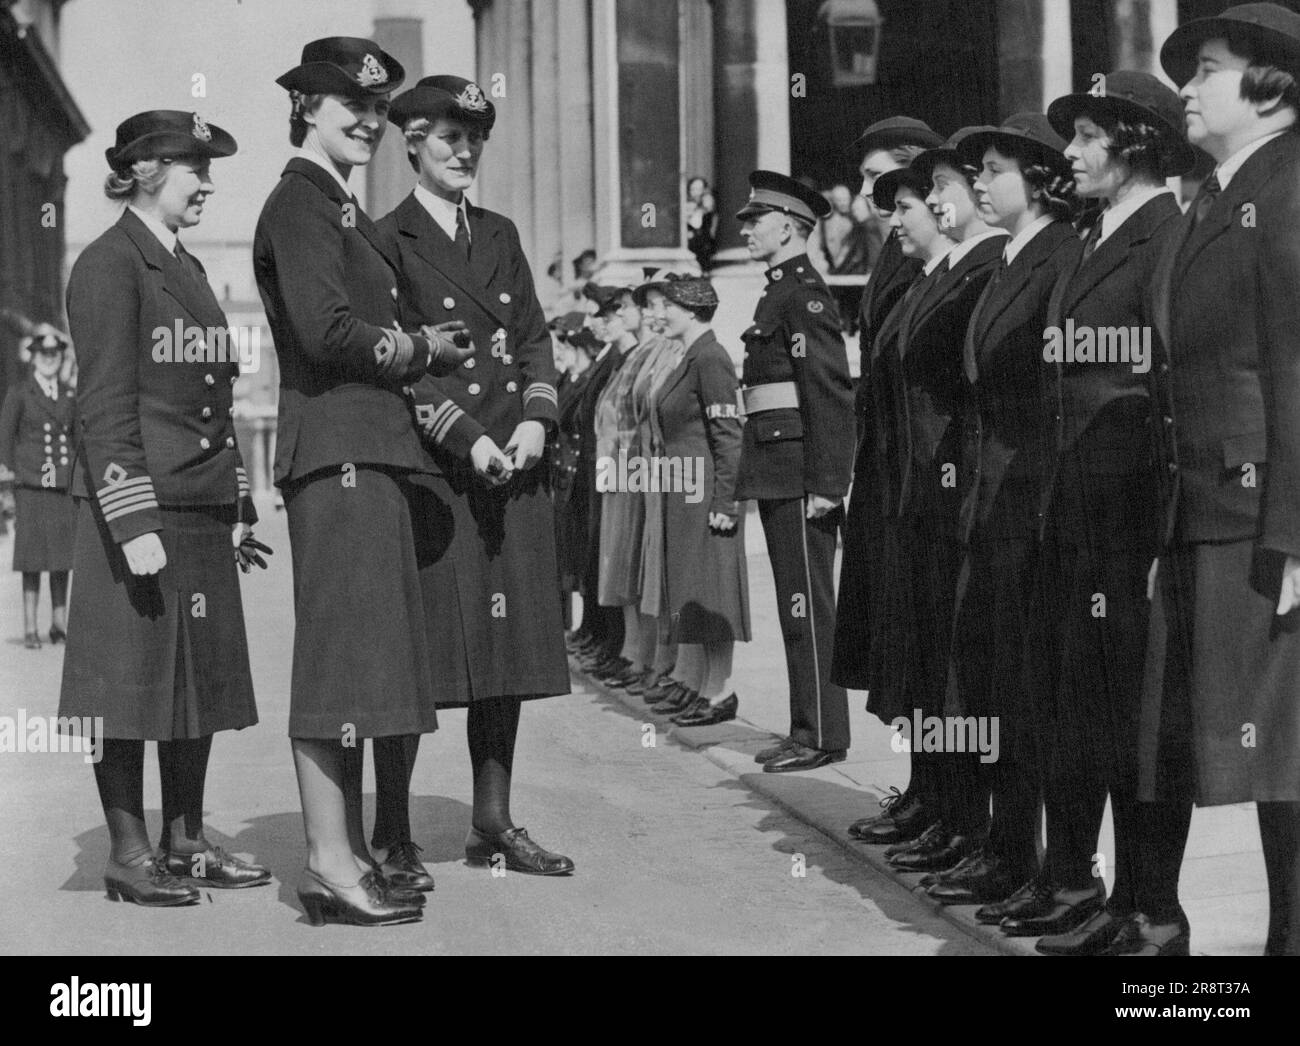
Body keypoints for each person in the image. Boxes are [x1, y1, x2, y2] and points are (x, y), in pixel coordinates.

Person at [254, 38, 471, 925]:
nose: (371, 124)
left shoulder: (337, 206)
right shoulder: (300, 204)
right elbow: (327, 330)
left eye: (380, 111)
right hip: (336, 451)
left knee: (364, 658)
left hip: (368, 451)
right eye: (352, 106)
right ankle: (329, 864)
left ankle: (342, 856)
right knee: (337, 659)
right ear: (306, 106)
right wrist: (423, 349)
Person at [1001, 71, 1196, 955]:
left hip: (1129, 514)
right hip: (1070, 511)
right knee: (1081, 708)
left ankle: (1154, 908)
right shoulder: (1092, 235)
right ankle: (1088, 889)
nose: (1068, 155)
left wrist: (1162, 525)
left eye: (1085, 139)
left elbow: (1168, 384)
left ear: (1137, 143)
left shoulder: (1168, 235)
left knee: (1140, 719)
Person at [58, 109, 270, 907]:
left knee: (197, 680)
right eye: (195, 169)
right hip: (142, 510)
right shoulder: (110, 265)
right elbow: (103, 406)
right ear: (147, 170)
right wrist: (133, 520)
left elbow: (215, 399)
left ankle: (185, 840)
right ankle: (128, 851)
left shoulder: (181, 266)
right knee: (128, 681)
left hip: (200, 504)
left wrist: (238, 499)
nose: (209, 183)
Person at [374, 73, 573, 878]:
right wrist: (465, 437)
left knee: (504, 656)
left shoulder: (501, 232)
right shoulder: (385, 241)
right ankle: (393, 833)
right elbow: (395, 364)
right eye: (450, 137)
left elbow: (533, 339)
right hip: (436, 478)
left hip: (513, 471)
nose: (466, 152)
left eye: (476, 138)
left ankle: (492, 821)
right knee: (416, 660)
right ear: (412, 142)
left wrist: (534, 418)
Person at [1140, 3, 1300, 957]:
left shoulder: (1288, 190)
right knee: (1205, 743)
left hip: (1257, 519)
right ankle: (1171, 925)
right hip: (1199, 510)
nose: (1187, 89)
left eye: (1205, 70)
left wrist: (1297, 536)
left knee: (1283, 752)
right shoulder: (1216, 193)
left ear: (1271, 84)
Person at [941, 114, 1084, 930]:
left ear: (1035, 178)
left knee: (1027, 692)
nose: (982, 184)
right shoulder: (1008, 261)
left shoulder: (1057, 256)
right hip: (988, 502)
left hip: (1026, 503)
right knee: (993, 682)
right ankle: (1005, 849)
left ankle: (1031, 862)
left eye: (994, 170)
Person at [853, 134, 1007, 865]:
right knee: (921, 658)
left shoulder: (982, 270)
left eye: (922, 196)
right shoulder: (927, 279)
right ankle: (933, 797)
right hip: (910, 494)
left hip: (949, 498)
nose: (910, 215)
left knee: (952, 667)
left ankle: (957, 813)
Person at [833, 116, 945, 837]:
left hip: (912, 464)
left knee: (923, 643)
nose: (869, 191)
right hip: (882, 464)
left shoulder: (923, 250)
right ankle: (922, 786)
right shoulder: (891, 249)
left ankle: (939, 795)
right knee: (900, 641)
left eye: (881, 178)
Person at [735, 170, 855, 773]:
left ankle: (821, 734)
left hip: (801, 474)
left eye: (756, 221)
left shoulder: (804, 294)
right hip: (779, 469)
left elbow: (827, 390)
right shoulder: (776, 293)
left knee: (810, 605)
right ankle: (803, 724)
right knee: (794, 605)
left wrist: (828, 485)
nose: (747, 230)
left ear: (788, 225)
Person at [638, 275, 748, 726]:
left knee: (713, 595)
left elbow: (729, 438)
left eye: (671, 307)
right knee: (692, 594)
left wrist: (725, 503)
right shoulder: (692, 356)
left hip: (704, 495)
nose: (662, 315)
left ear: (692, 310)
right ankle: (700, 684)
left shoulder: (711, 358)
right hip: (684, 492)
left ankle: (720, 692)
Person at [0, 325, 77, 649]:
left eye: (55, 354)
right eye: (44, 354)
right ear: (33, 358)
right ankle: (31, 627)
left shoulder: (69, 395)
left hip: (60, 485)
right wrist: (6, 485)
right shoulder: (20, 393)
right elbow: (5, 439)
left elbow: (76, 439)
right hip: (31, 484)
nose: (49, 359)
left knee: (61, 558)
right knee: (31, 559)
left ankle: (59, 624)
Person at [685, 176, 719, 272]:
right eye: (693, 189)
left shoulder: (708, 213)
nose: (697, 193)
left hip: (705, 250)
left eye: (700, 189)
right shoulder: (687, 208)